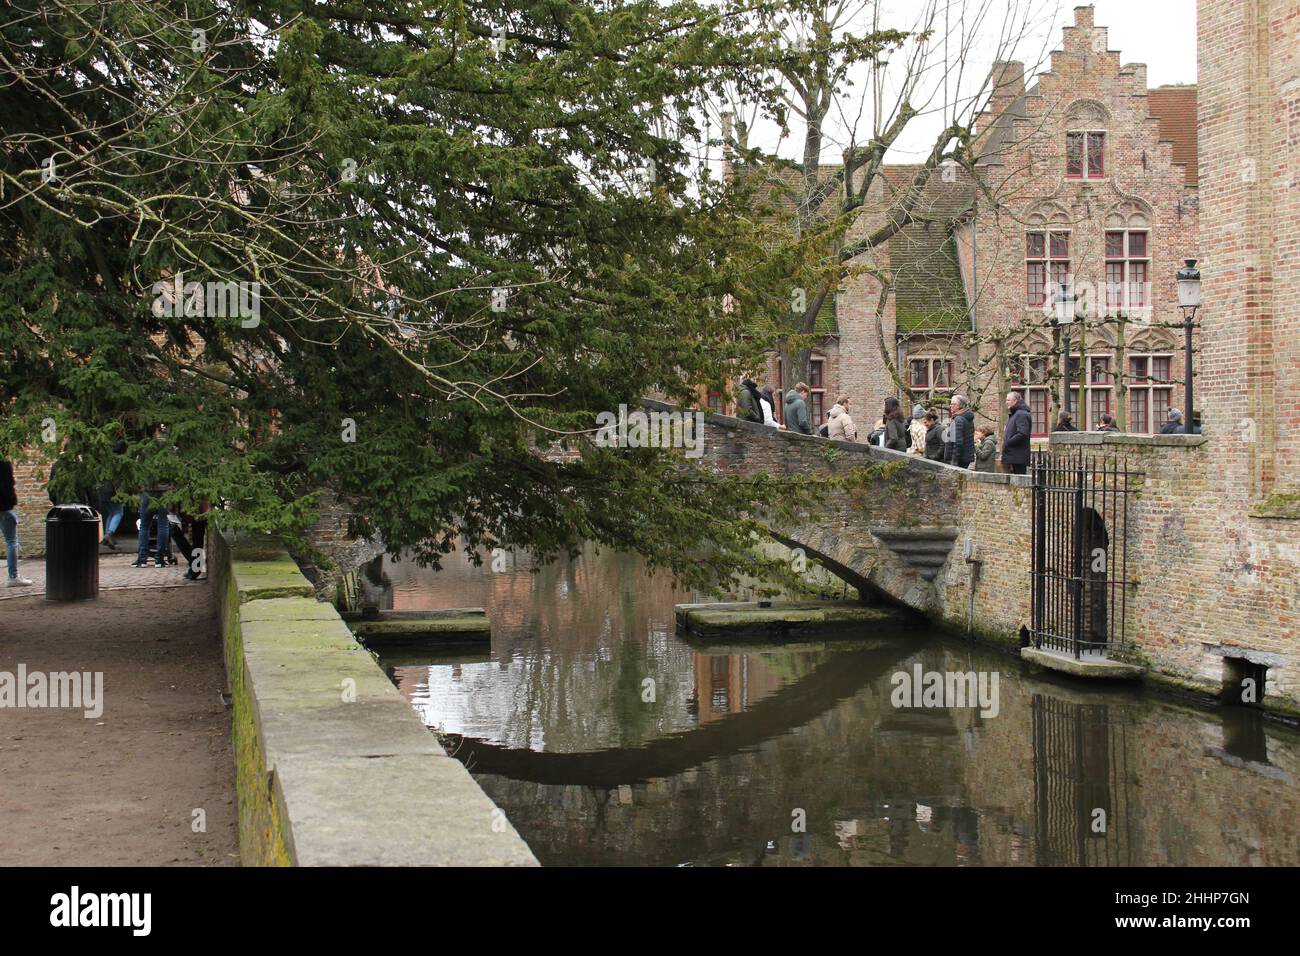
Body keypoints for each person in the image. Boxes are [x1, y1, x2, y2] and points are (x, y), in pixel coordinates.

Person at [1, 459, 33, 587]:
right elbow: (8, 484)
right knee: (12, 541)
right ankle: (13, 576)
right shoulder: (3, 464)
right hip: (4, 508)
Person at [1001, 390, 1033, 475]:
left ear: (1015, 401)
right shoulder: (1015, 414)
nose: (1006, 402)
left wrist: (1008, 442)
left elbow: (1022, 434)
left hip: (1017, 456)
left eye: (1008, 400)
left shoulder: (1021, 414)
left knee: (1019, 482)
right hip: (1013, 456)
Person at [947, 395, 975, 468]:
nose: (950, 406)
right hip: (964, 457)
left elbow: (958, 441)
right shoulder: (964, 418)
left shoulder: (959, 419)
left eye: (952, 404)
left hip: (960, 459)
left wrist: (954, 461)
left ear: (958, 406)